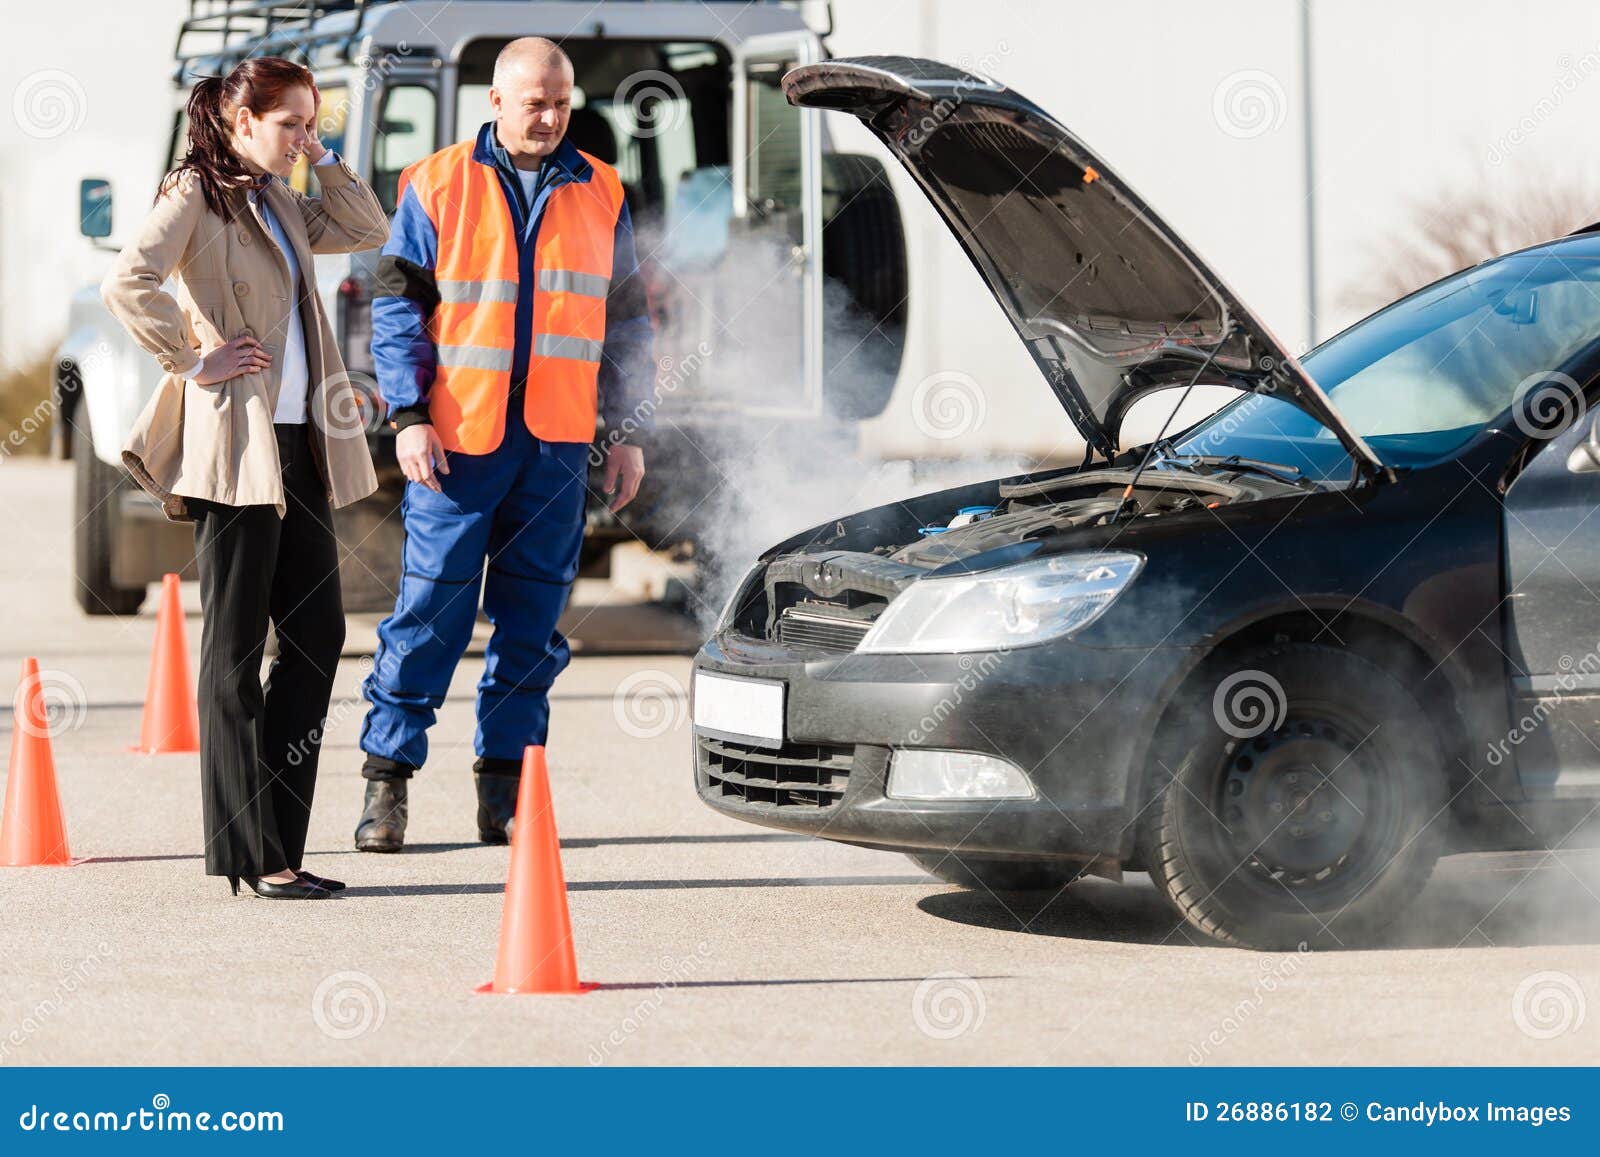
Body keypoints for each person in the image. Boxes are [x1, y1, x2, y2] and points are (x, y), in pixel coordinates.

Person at [354, 37, 653, 851]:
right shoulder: (436, 182)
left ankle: (506, 794)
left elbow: (627, 323)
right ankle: (387, 782)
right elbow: (397, 309)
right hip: (460, 442)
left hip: (557, 445)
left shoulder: (602, 189)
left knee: (532, 625)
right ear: (496, 100)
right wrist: (408, 414)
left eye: (561, 103)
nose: (550, 117)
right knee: (432, 612)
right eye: (535, 103)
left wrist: (627, 432)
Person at [101, 57, 390, 898]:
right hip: (235, 448)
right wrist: (194, 358)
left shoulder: (281, 199)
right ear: (239, 121)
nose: (305, 138)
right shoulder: (197, 189)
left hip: (302, 443)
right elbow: (129, 280)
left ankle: (280, 845)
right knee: (232, 652)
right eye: (290, 124)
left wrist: (326, 157)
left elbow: (367, 227)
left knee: (317, 636)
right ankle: (251, 855)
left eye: (312, 122)